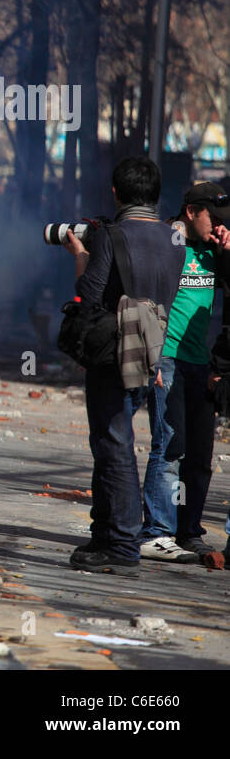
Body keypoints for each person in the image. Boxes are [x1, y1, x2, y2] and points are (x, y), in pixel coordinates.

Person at [62, 156, 183, 576]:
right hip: (156, 347)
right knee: (116, 440)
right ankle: (104, 532)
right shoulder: (175, 240)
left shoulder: (112, 236)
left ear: (116, 193)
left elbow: (90, 294)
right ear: (155, 195)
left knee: (113, 441)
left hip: (117, 350)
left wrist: (81, 253)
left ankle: (121, 543)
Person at [161, 184, 230, 562]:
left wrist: (228, 253)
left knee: (200, 455)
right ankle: (161, 529)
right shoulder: (167, 245)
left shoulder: (213, 251)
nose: (218, 225)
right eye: (213, 218)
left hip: (199, 363)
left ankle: (189, 531)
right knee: (171, 448)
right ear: (190, 212)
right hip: (168, 359)